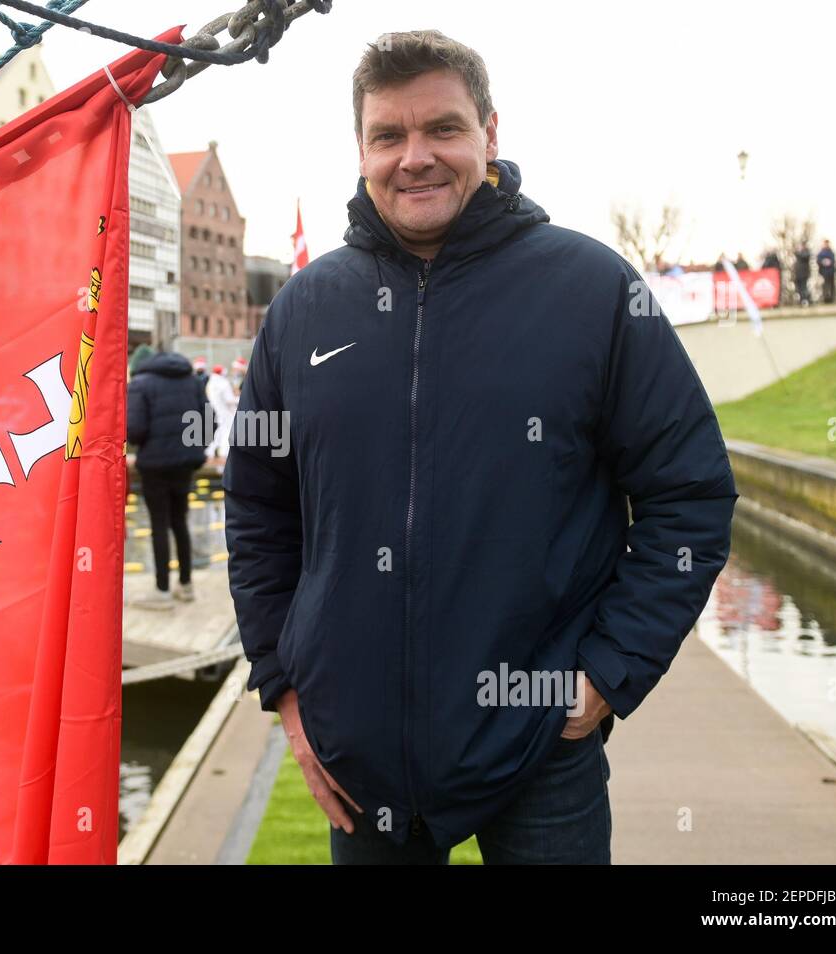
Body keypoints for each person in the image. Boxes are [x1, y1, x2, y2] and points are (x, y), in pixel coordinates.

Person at [223, 29, 738, 865]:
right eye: (389, 135)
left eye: (444, 130)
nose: (415, 157)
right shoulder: (302, 311)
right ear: (360, 150)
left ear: (490, 135)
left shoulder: (593, 290)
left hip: (542, 752)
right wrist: (286, 688)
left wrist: (608, 673)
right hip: (356, 753)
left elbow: (691, 495)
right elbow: (256, 510)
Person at [126, 350, 210, 610]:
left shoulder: (140, 384)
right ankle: (186, 584)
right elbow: (208, 422)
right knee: (179, 521)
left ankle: (161, 589)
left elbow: (135, 430)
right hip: (185, 463)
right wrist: (193, 448)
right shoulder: (192, 380)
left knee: (158, 525)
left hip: (155, 464)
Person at [204, 364, 239, 465]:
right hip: (225, 411)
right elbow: (229, 400)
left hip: (215, 410)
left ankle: (209, 451)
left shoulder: (210, 383)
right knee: (226, 431)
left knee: (218, 432)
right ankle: (224, 452)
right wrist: (240, 399)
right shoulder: (223, 383)